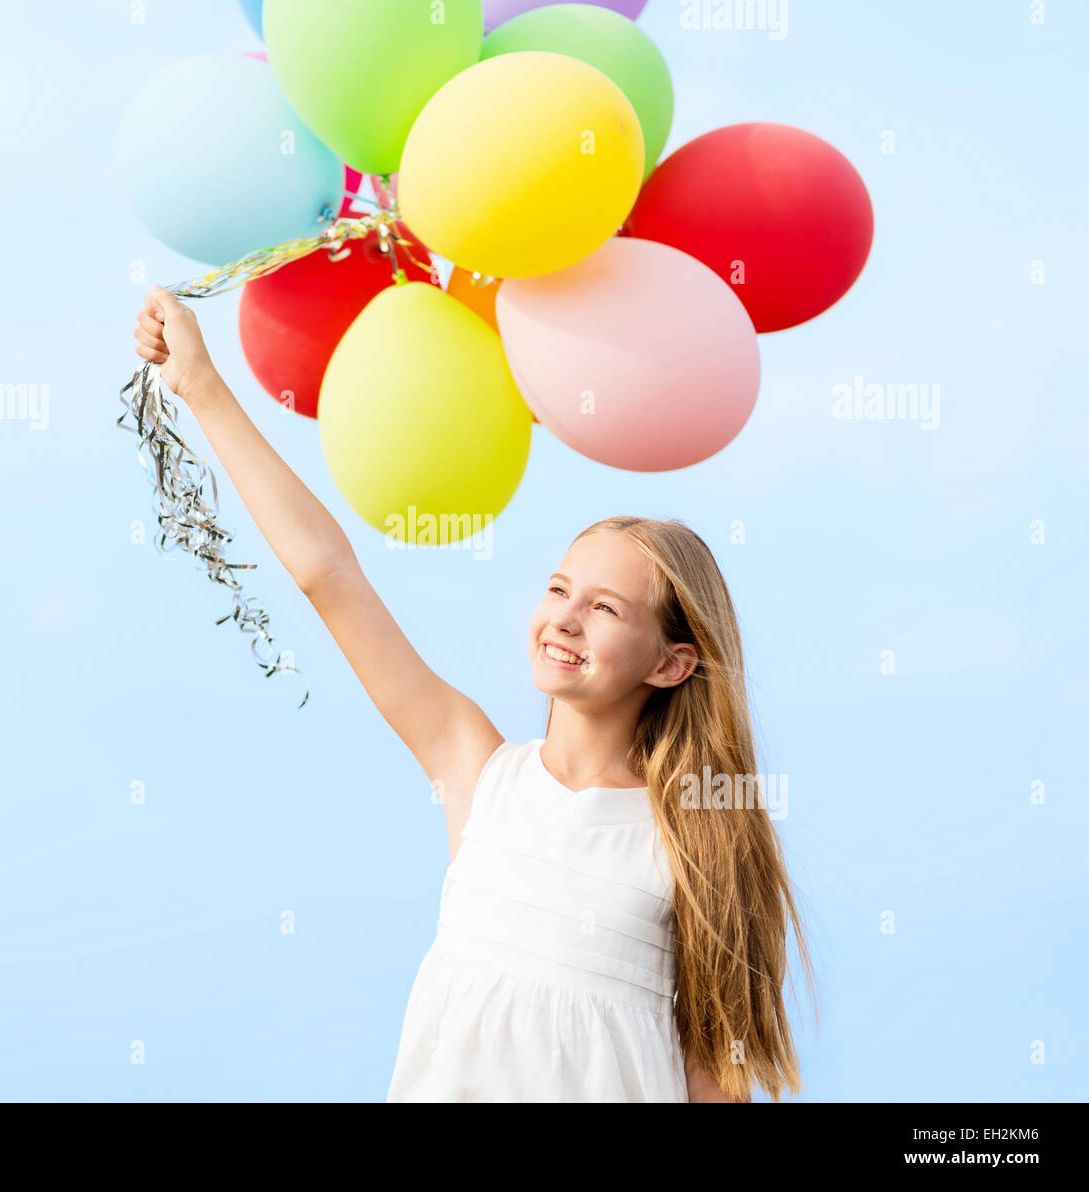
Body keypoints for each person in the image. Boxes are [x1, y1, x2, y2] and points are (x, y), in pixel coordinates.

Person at [133, 285, 815, 1103]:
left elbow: (714, 1078)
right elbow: (327, 574)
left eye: (604, 608)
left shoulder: (693, 837)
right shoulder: (475, 768)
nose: (564, 620)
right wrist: (204, 387)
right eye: (560, 589)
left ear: (670, 664)